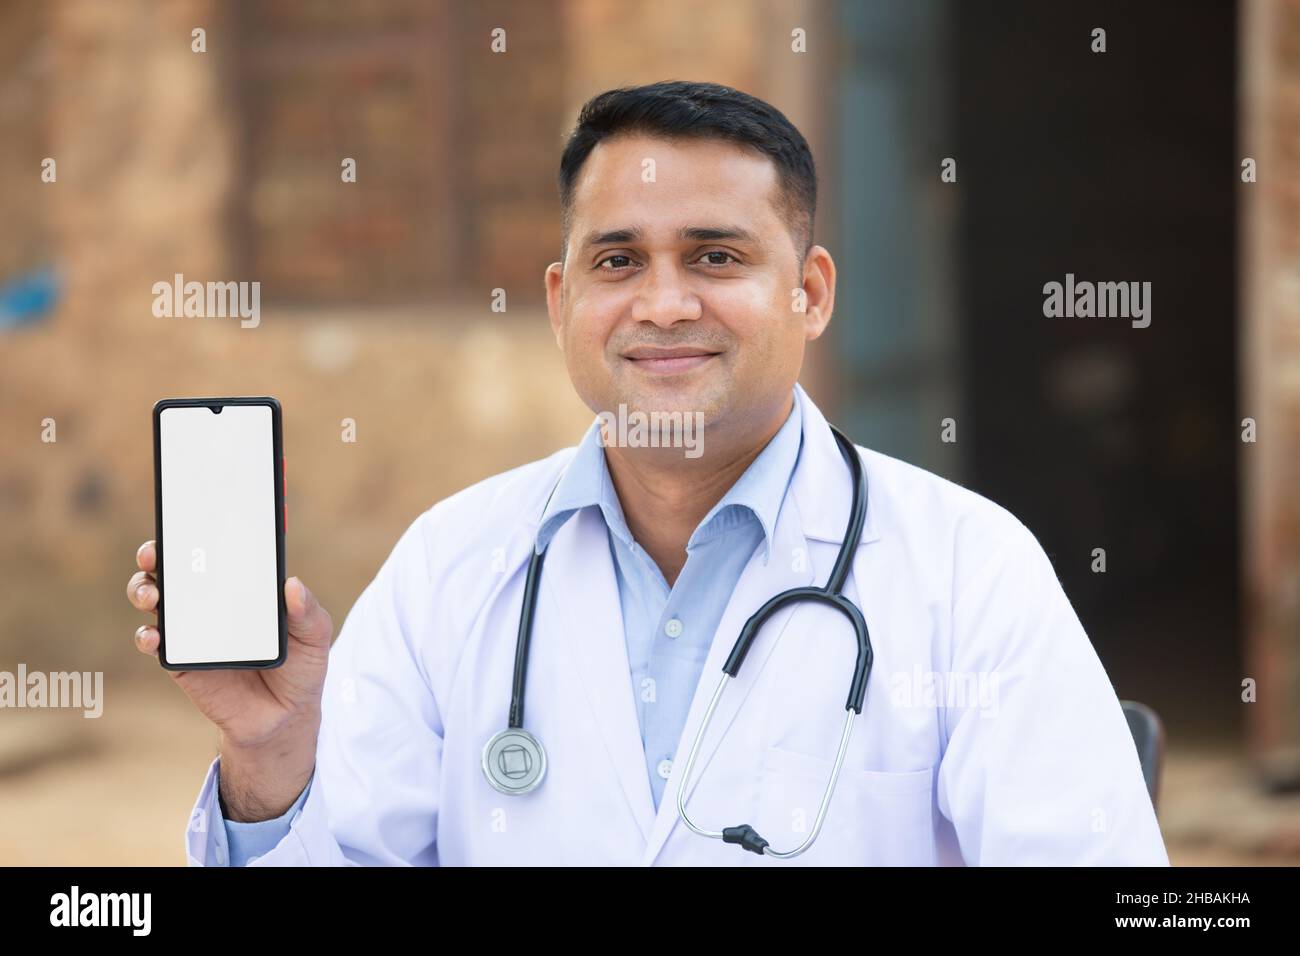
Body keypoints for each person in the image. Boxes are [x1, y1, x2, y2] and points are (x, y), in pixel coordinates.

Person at [125, 80, 1168, 866]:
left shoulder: (967, 569)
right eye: (617, 261)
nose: (662, 304)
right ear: (558, 299)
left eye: (715, 256)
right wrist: (271, 758)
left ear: (809, 292)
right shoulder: (451, 562)